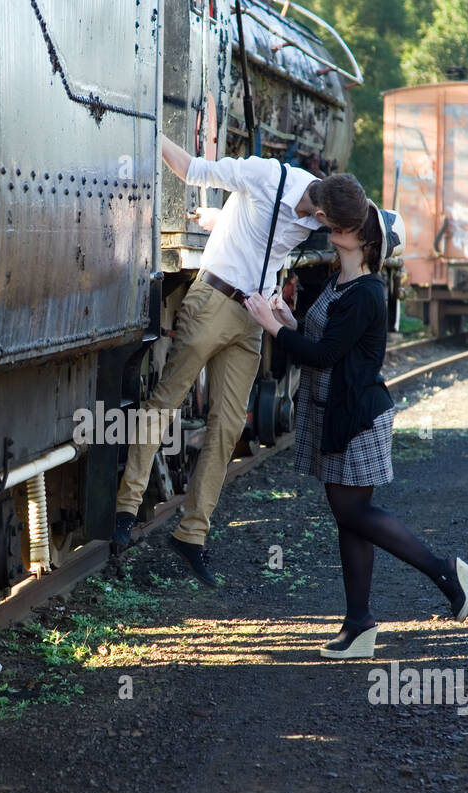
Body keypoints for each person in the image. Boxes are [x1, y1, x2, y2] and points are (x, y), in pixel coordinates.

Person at [243, 174, 468, 658]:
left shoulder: (367, 292)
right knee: (348, 519)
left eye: (345, 223)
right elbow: (321, 339)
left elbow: (324, 356)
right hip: (336, 412)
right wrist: (289, 321)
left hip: (357, 419)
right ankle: (360, 626)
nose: (333, 226)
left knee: (353, 512)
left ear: (365, 239)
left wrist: (271, 328)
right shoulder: (340, 281)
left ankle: (447, 572)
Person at [113, 133, 344, 587]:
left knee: (229, 424)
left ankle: (191, 535)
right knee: (167, 399)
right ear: (319, 214)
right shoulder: (263, 175)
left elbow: (267, 231)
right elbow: (193, 168)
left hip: (253, 319)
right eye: (330, 228)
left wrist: (222, 218)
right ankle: (125, 507)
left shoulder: (323, 206)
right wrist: (152, 131)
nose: (332, 236)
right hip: (213, 301)